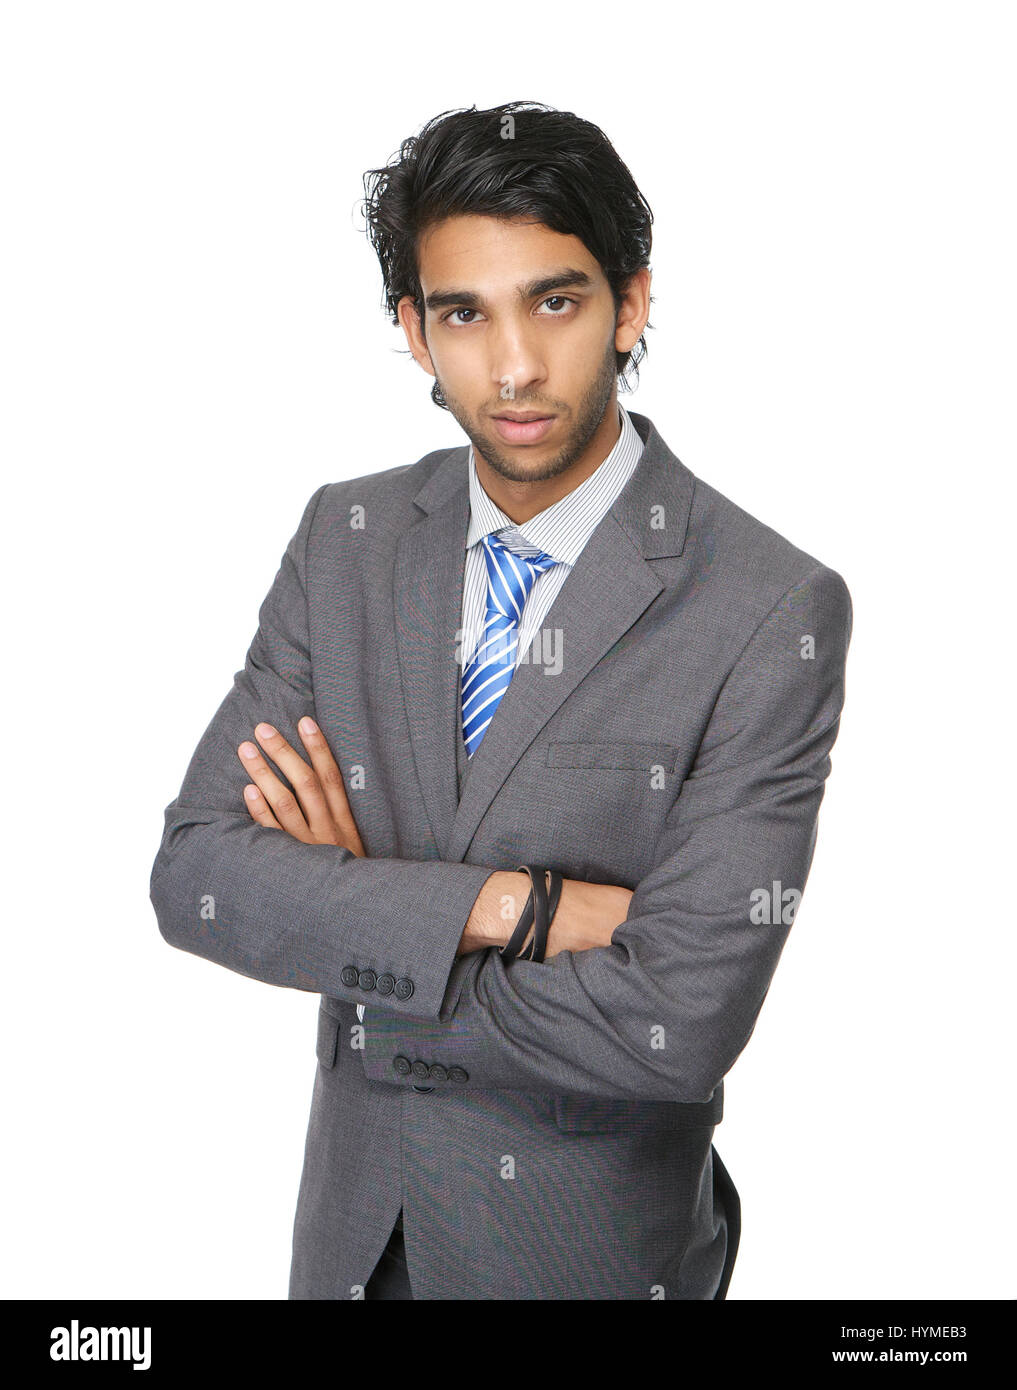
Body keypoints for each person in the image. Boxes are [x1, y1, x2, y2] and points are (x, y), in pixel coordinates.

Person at [150, 100, 852, 1300]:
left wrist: (364, 953)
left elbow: (680, 1021)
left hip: (585, 1261)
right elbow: (196, 874)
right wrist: (516, 907)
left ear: (631, 305)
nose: (515, 365)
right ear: (414, 331)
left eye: (556, 302)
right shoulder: (347, 539)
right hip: (352, 1247)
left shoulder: (768, 604)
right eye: (465, 313)